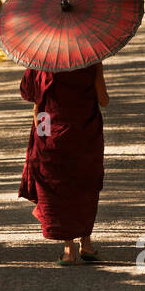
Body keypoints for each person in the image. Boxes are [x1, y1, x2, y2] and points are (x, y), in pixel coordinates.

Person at [19, 61, 109, 265]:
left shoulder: (39, 61)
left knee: (58, 186)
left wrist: (42, 138)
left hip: (49, 129)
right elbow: (104, 100)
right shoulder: (89, 61)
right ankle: (86, 243)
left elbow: (32, 99)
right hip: (85, 132)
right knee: (86, 185)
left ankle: (69, 249)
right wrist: (98, 71)